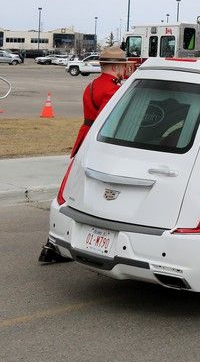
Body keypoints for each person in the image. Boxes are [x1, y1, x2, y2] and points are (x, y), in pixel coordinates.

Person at [38, 46, 131, 264]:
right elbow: (111, 123)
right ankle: (58, 243)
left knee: (74, 190)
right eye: (122, 66)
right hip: (99, 144)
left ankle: (58, 243)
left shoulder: (93, 85)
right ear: (116, 66)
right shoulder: (112, 89)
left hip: (85, 137)